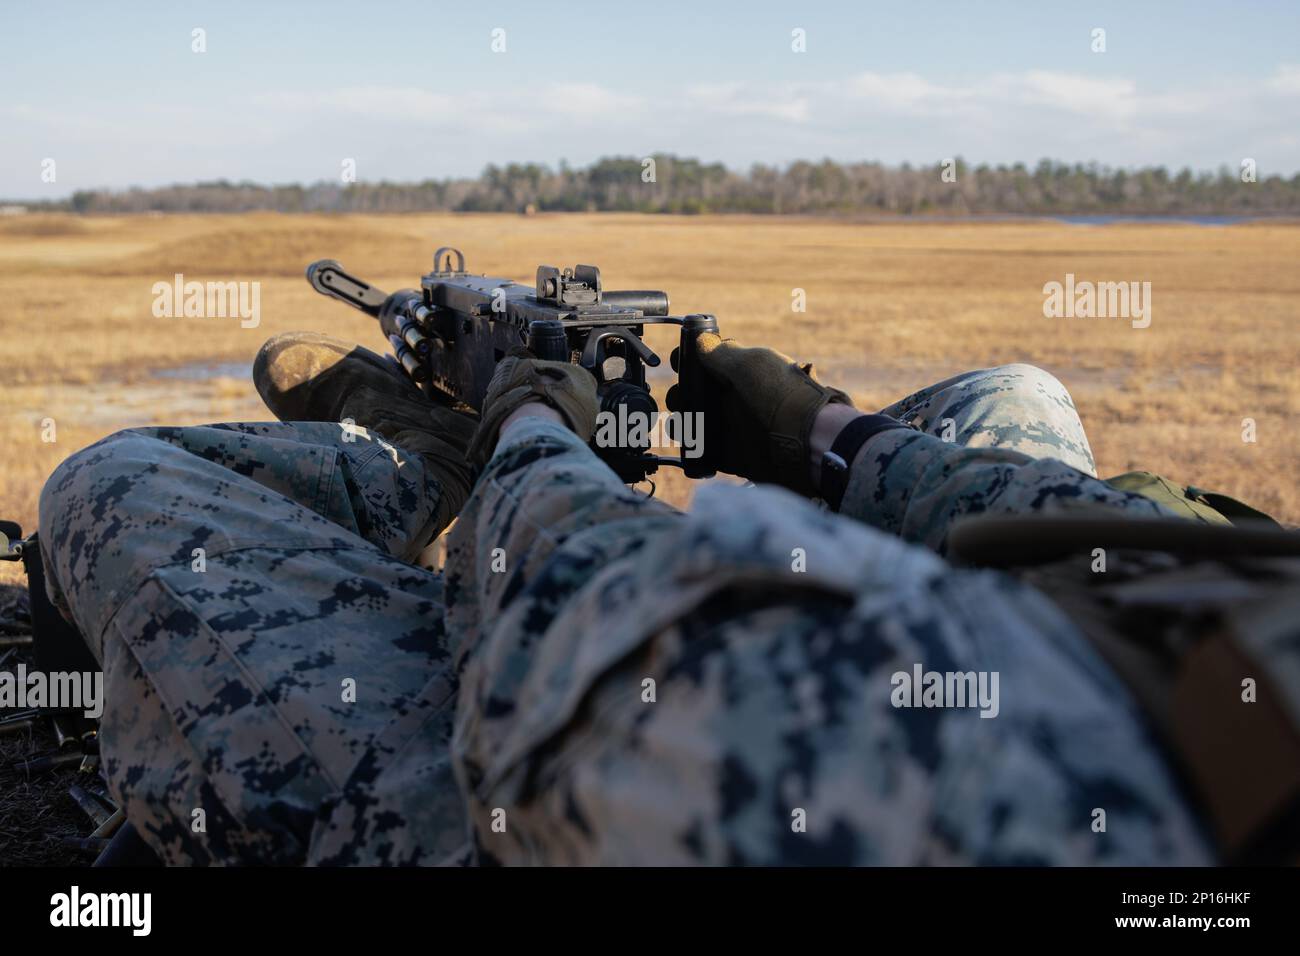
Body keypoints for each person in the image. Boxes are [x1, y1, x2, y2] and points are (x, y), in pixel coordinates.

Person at [37, 330, 1234, 865]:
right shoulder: (1244, 685)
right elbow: (1133, 560)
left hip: (544, 799)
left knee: (107, 485)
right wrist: (827, 440)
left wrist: (532, 430)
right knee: (1008, 393)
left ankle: (422, 465)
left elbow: (591, 618)